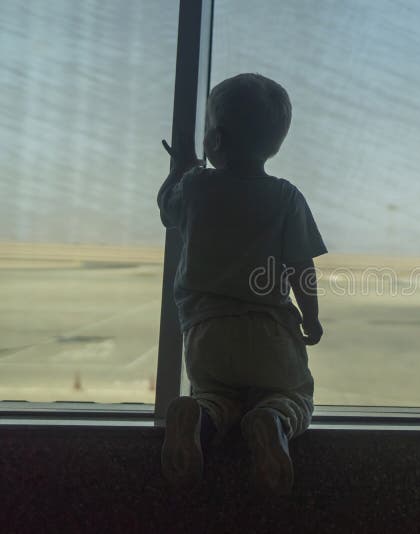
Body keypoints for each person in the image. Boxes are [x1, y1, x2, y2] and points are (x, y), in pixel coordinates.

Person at [157, 73, 326, 494]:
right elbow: (301, 267)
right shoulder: (287, 197)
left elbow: (165, 211)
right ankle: (274, 419)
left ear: (213, 140)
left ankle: (199, 417)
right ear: (275, 144)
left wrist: (180, 168)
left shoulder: (196, 187)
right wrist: (311, 318)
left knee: (216, 396)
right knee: (293, 395)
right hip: (271, 333)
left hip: (208, 332)